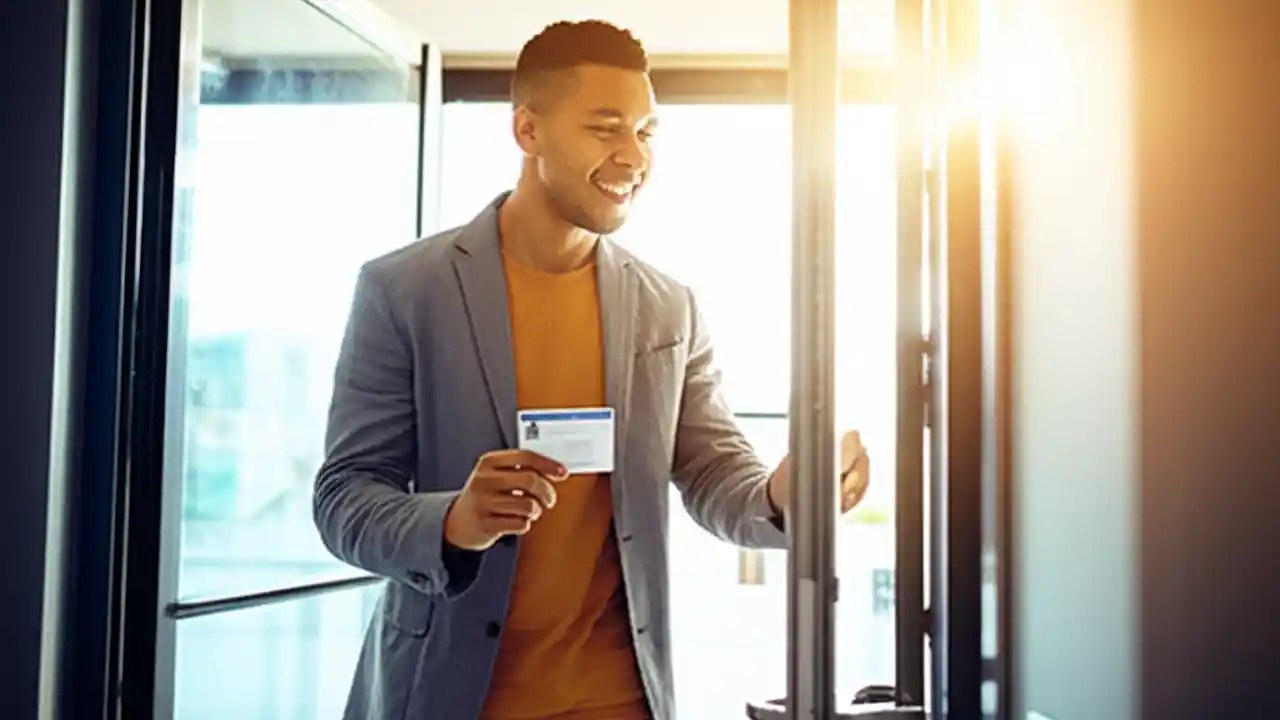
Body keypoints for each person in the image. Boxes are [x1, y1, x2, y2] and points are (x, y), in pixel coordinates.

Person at [313, 19, 871, 720]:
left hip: (619, 698)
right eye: (606, 129)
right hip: (447, 693)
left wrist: (783, 496)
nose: (633, 156)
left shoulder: (668, 307)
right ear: (528, 131)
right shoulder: (405, 290)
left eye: (645, 131)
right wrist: (453, 520)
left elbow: (711, 471)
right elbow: (344, 498)